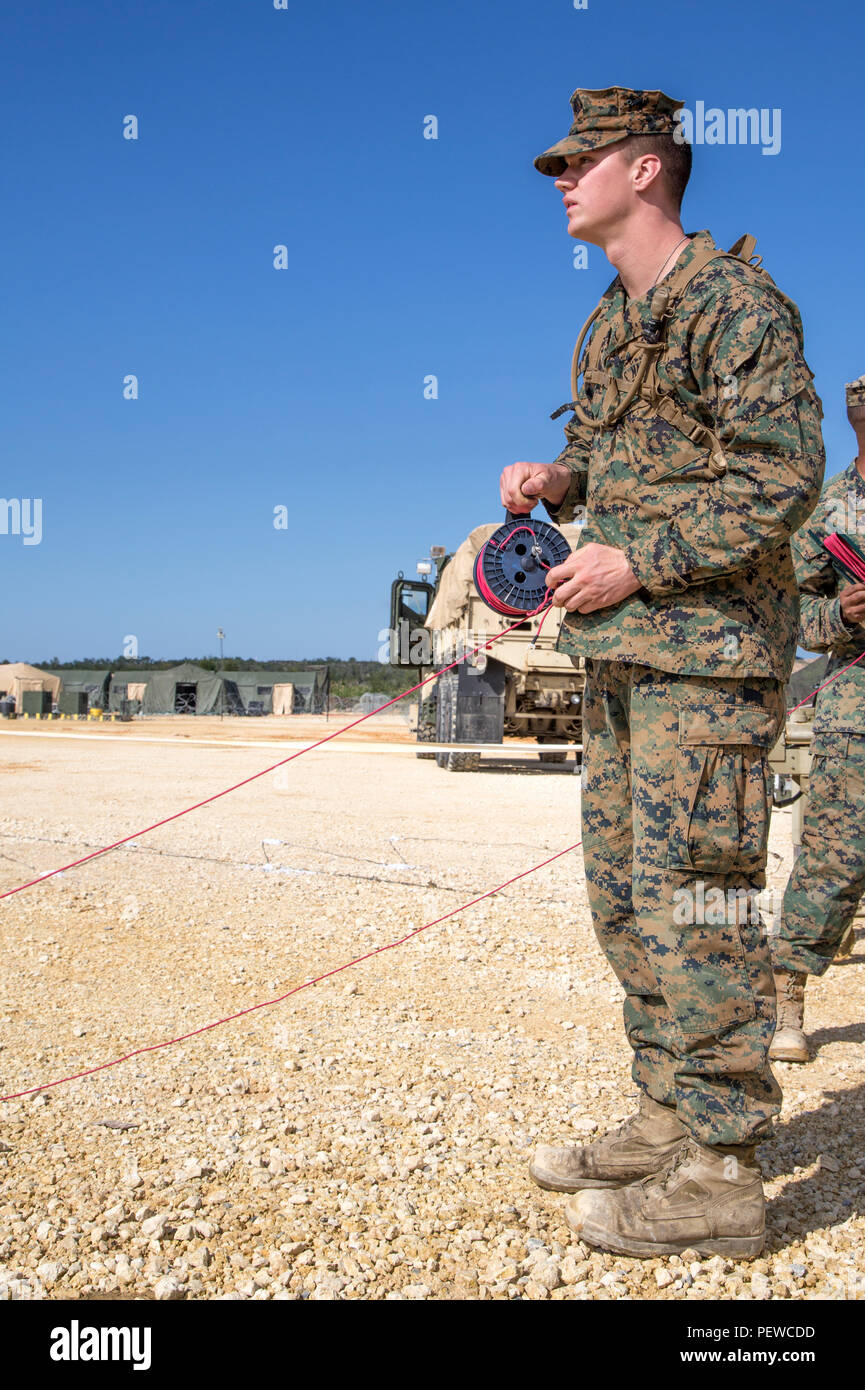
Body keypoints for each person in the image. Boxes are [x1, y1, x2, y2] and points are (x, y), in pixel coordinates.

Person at [499, 86, 825, 1258]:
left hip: (712, 655)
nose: (558, 179)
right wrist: (558, 481)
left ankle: (726, 1168)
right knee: (629, 897)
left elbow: (781, 473)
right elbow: (608, 450)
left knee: (703, 897)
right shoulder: (606, 322)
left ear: (645, 169)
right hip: (625, 657)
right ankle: (668, 1112)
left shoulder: (731, 303)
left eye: (576, 160)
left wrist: (641, 560)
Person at [770, 375, 865, 1063]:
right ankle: (785, 997)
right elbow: (789, 613)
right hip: (854, 706)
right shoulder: (827, 512)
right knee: (834, 859)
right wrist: (839, 615)